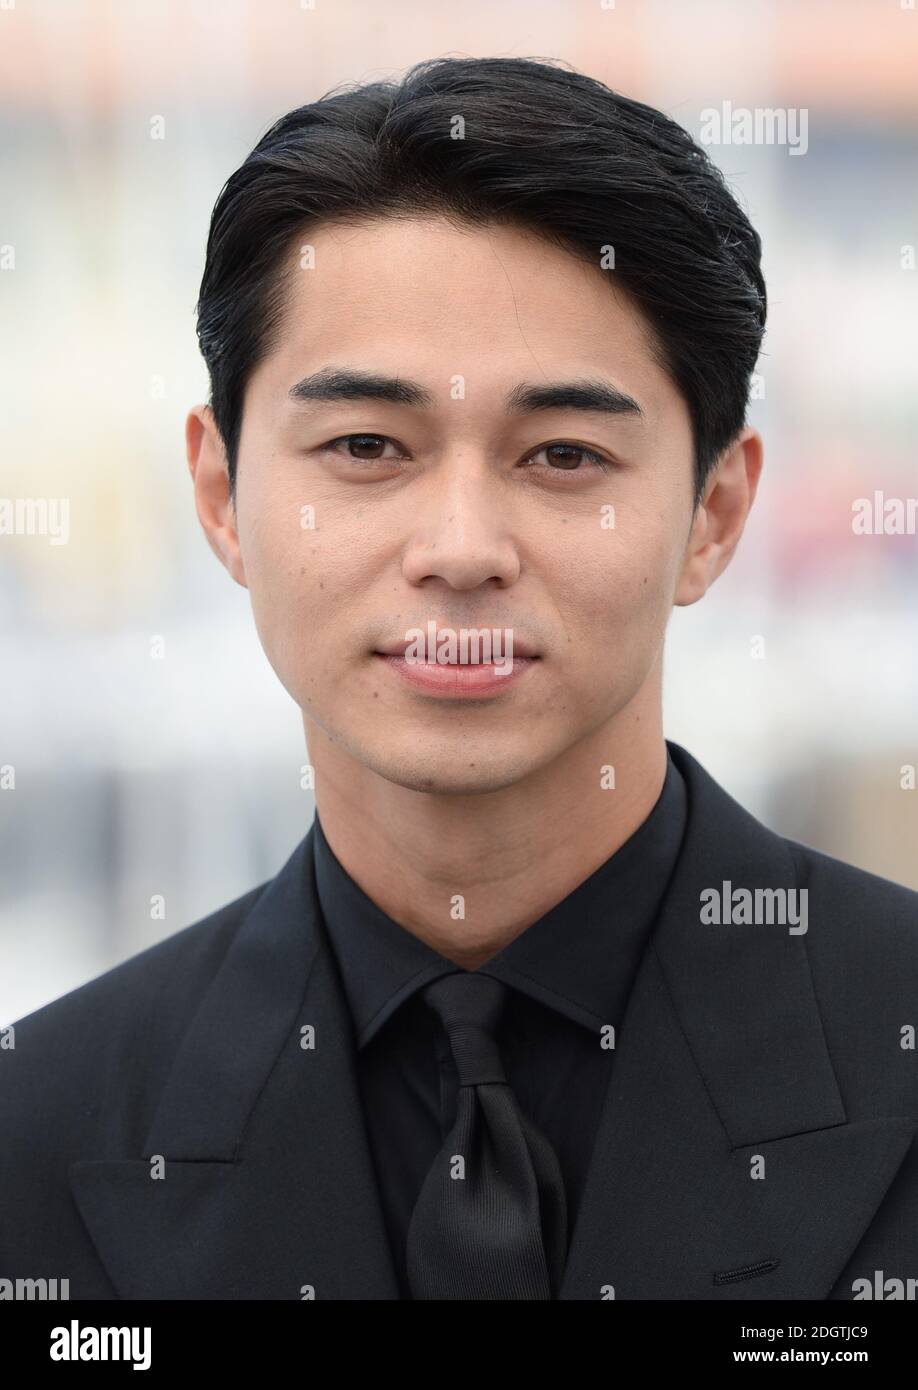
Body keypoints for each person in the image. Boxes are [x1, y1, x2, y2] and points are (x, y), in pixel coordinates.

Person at [2, 56, 917, 1302]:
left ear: (713, 510)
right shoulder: (35, 1127)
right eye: (367, 446)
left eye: (563, 453)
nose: (461, 551)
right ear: (220, 494)